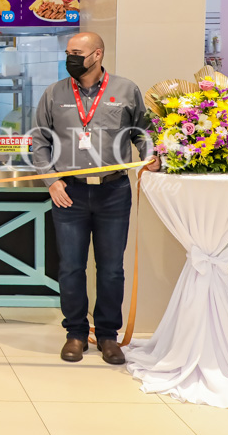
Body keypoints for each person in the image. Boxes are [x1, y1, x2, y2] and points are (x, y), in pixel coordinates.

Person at [31, 32, 160, 364]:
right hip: (69, 193)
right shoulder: (55, 93)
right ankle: (75, 333)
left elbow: (141, 132)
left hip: (113, 191)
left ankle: (107, 336)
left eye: (77, 52)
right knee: (72, 267)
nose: (70, 57)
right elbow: (39, 141)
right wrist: (52, 181)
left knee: (111, 269)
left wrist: (152, 156)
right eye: (68, 51)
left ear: (97, 55)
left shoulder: (125, 90)